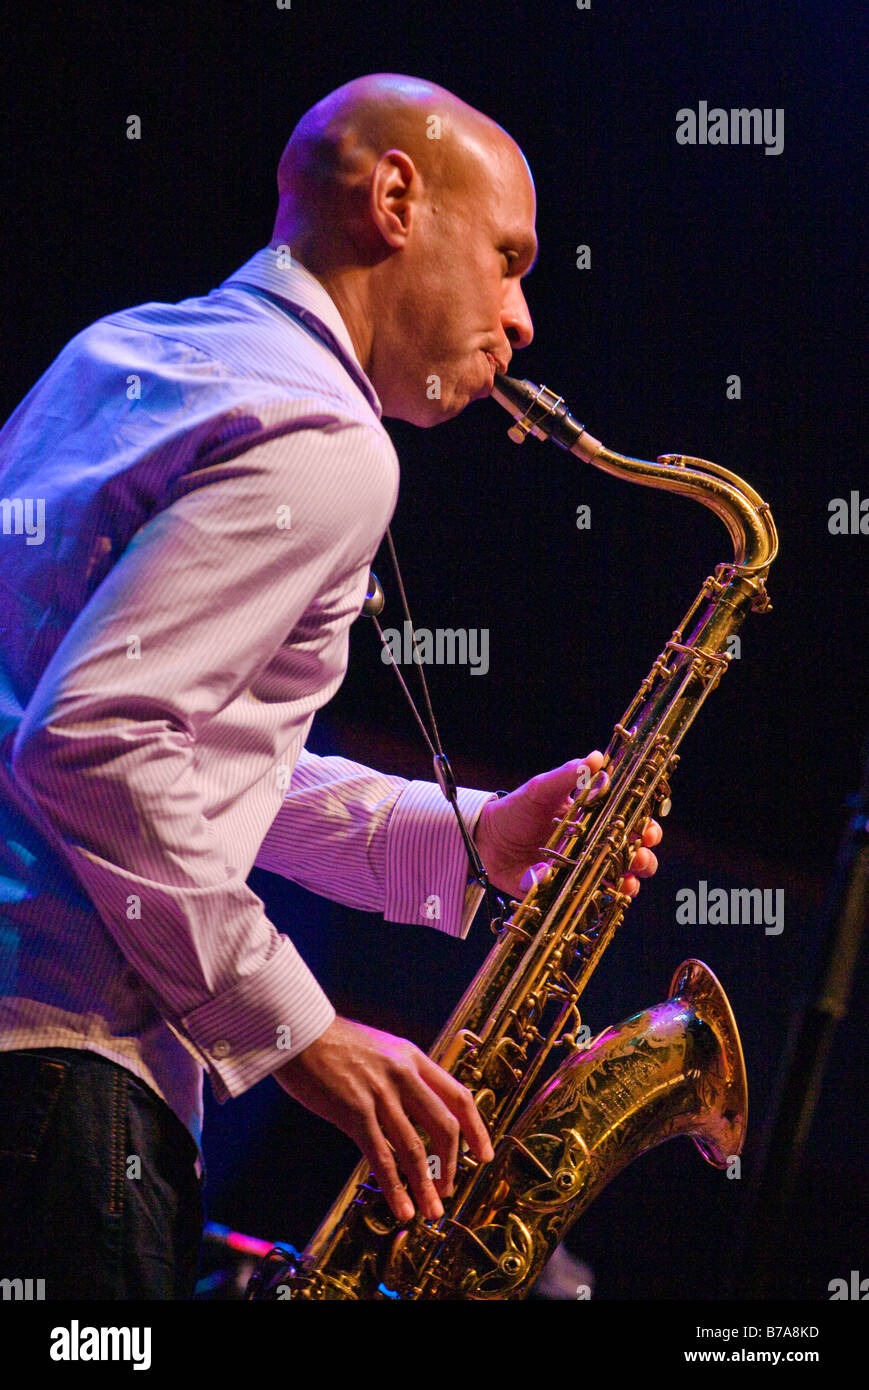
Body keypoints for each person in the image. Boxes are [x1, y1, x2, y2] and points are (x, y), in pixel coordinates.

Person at [0, 73, 661, 1299]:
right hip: (64, 1091)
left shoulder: (125, 352)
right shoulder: (323, 436)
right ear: (396, 198)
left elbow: (151, 745)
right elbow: (91, 747)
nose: (520, 320)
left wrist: (465, 838)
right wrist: (299, 1034)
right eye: (509, 260)